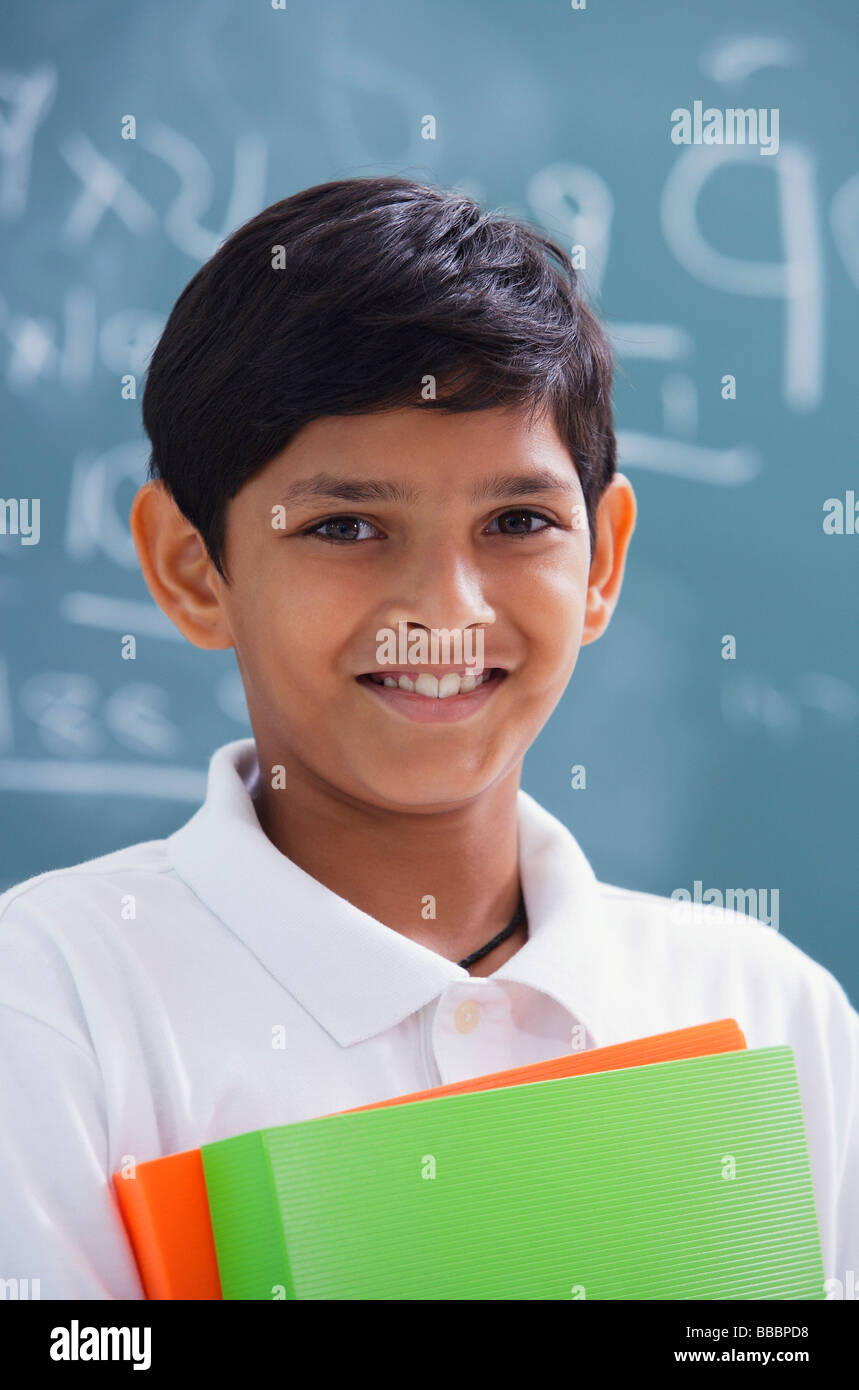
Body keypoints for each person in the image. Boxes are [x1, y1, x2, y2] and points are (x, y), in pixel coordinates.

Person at [0, 177, 855, 1299]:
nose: (444, 610)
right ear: (189, 566)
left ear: (599, 561)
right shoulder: (53, 1003)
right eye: (344, 526)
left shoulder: (768, 1015)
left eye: (517, 522)